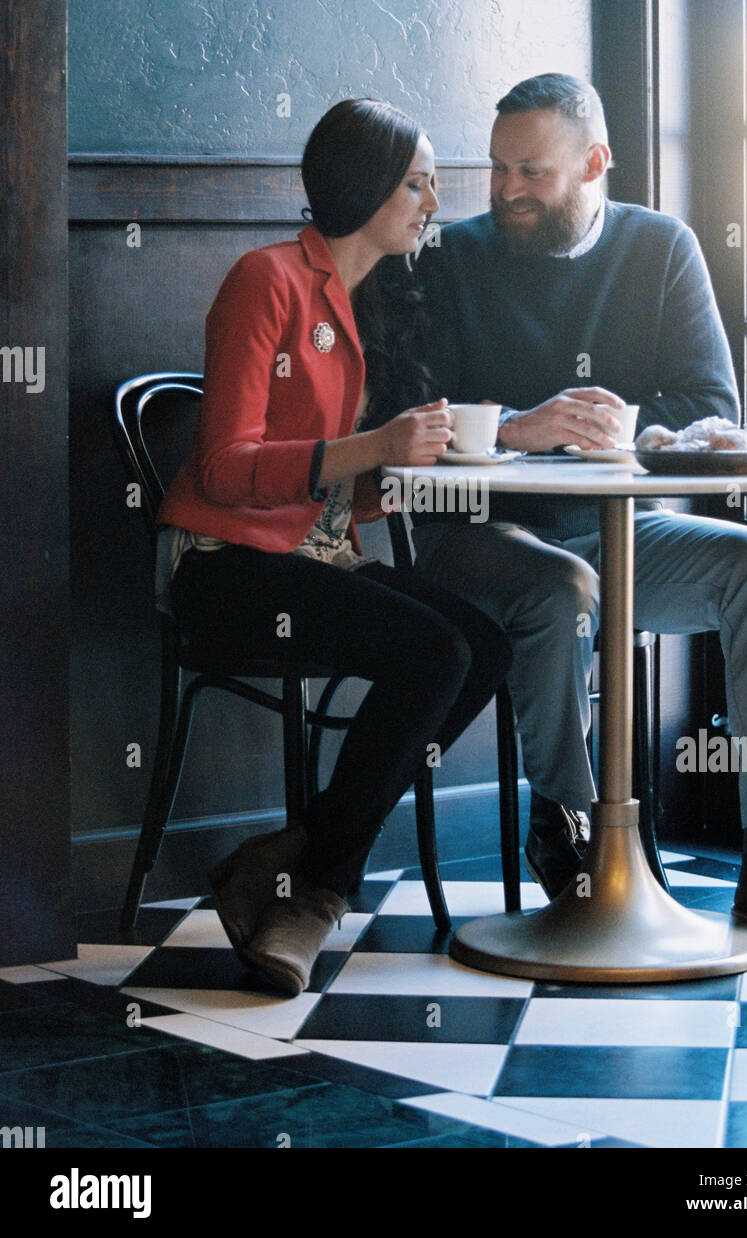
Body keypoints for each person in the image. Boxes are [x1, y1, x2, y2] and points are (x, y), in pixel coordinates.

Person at [411, 72, 747, 951]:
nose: (506, 191)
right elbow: (419, 409)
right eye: (498, 169)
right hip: (477, 535)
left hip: (616, 530)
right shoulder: (452, 259)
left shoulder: (660, 249)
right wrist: (523, 425)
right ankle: (567, 823)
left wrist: (625, 424)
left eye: (531, 173)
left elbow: (707, 398)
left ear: (594, 162)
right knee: (565, 584)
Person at [155, 98, 512, 995]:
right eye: (418, 184)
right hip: (224, 566)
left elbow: (361, 472)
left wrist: (478, 444)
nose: (434, 202)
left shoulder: (376, 301)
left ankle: (291, 856)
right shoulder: (265, 279)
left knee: (486, 647)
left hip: (316, 561)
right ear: (364, 187)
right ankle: (315, 895)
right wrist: (375, 449)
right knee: (432, 650)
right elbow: (225, 466)